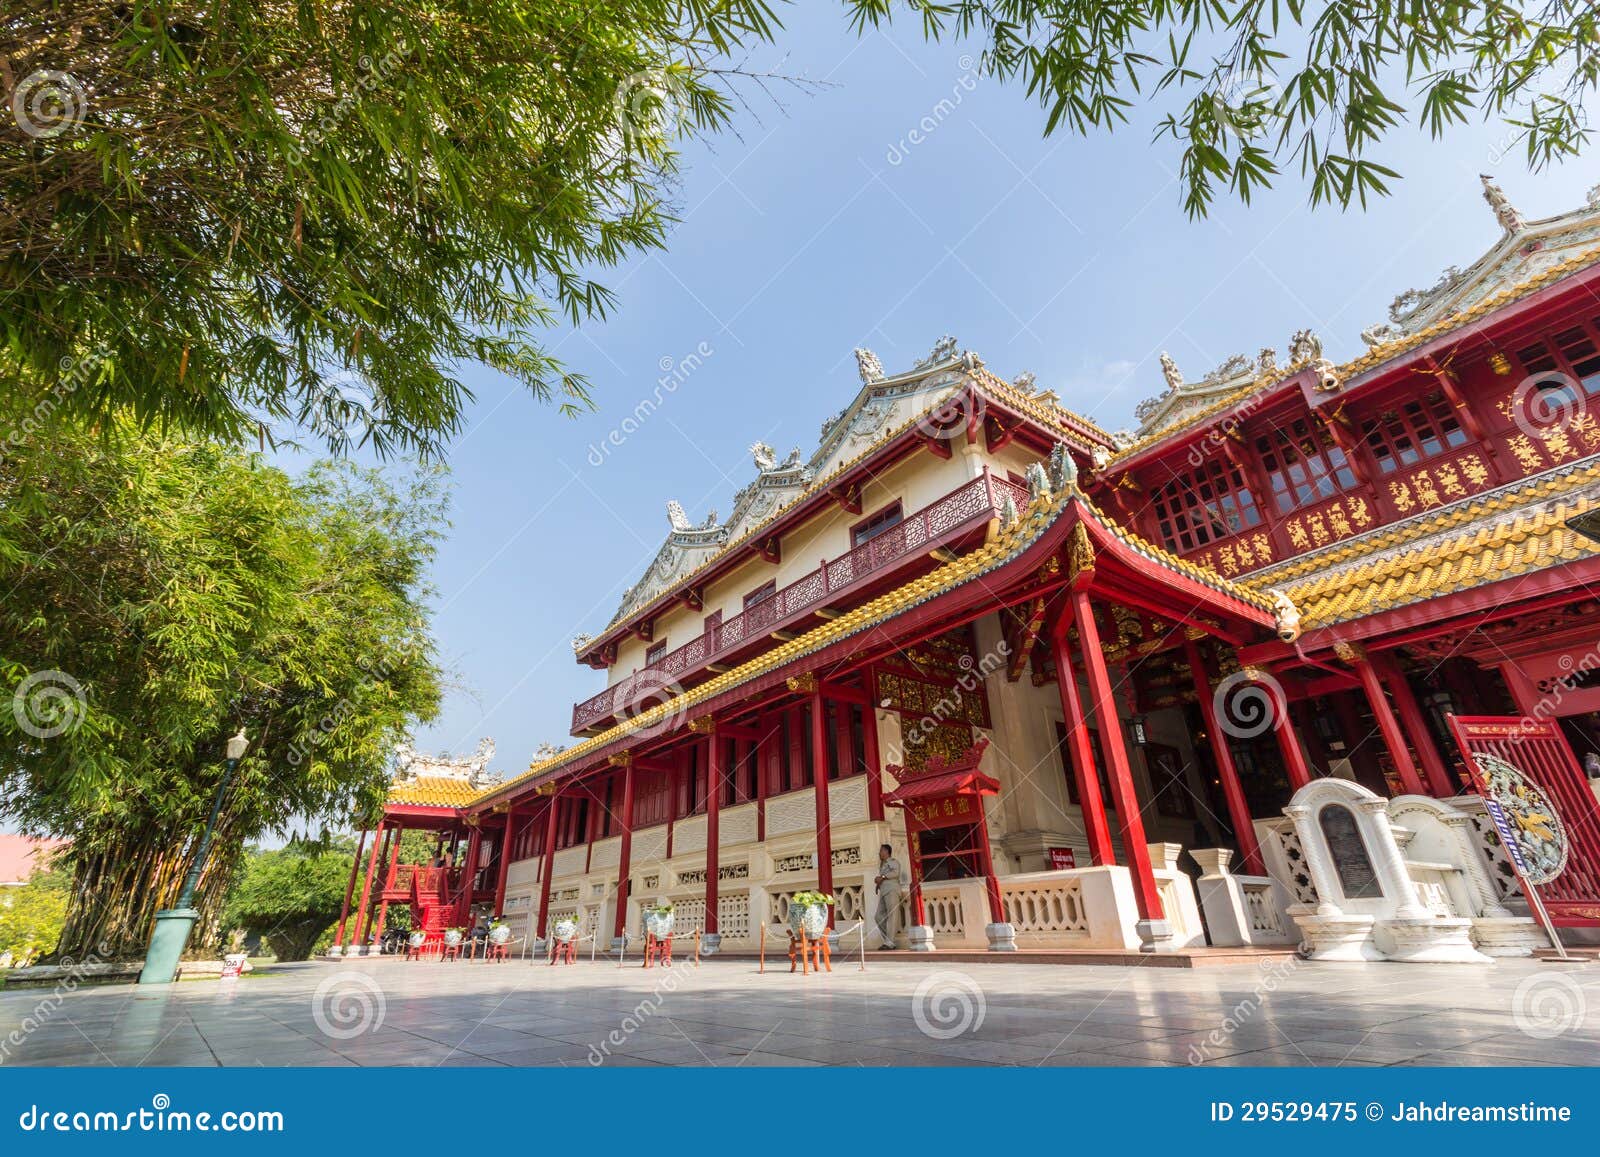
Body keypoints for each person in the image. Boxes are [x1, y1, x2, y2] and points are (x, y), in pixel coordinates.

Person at [873, 842, 902, 950]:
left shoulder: (893, 862)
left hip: (892, 890)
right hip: (884, 891)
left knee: (892, 915)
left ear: (886, 851)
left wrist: (883, 877)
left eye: (881, 850)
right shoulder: (883, 864)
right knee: (878, 916)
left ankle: (889, 942)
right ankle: (889, 940)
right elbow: (883, 878)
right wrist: (878, 884)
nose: (879, 853)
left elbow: (896, 873)